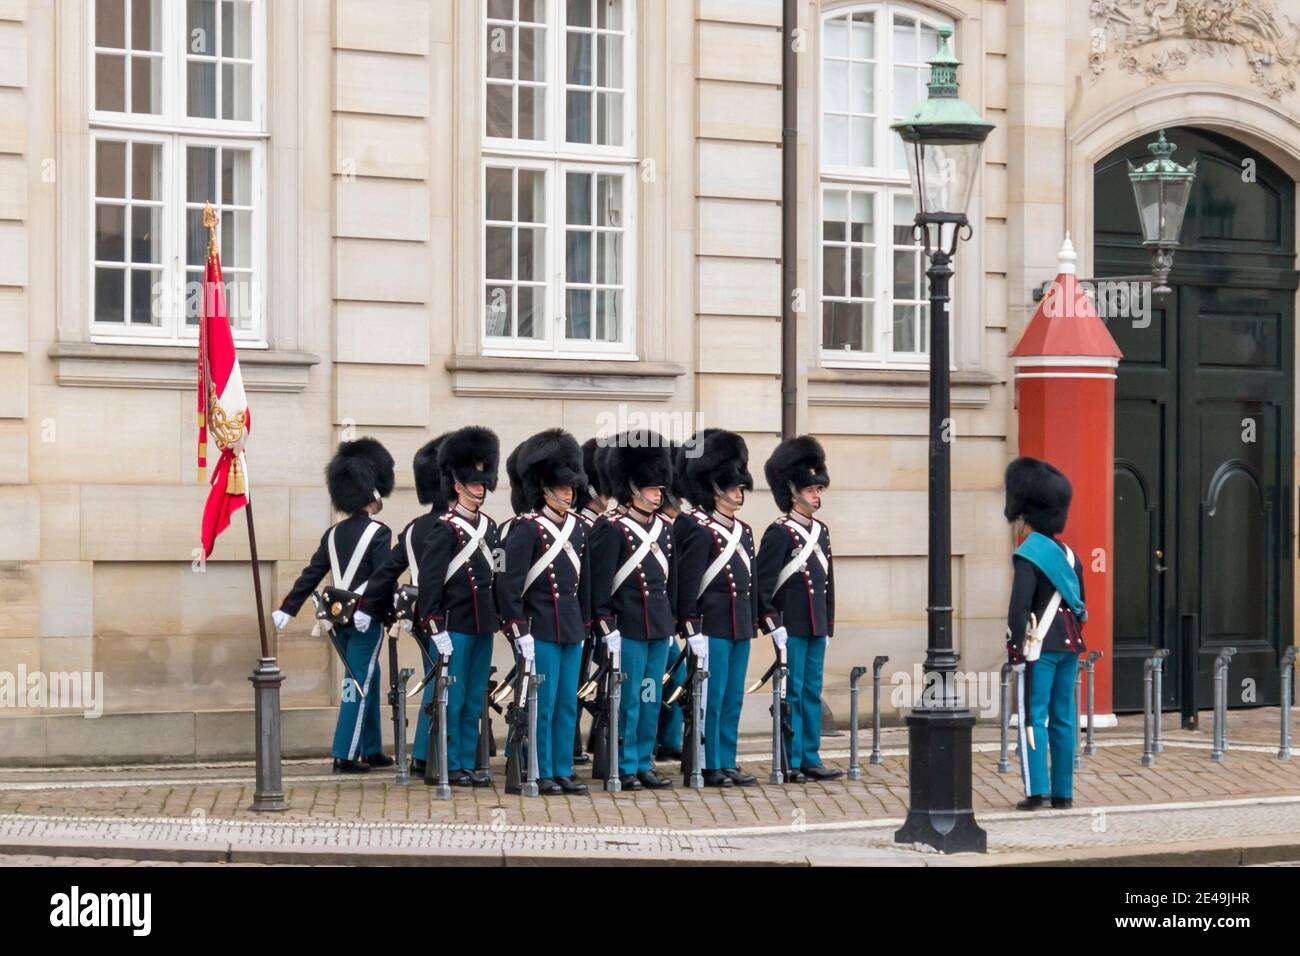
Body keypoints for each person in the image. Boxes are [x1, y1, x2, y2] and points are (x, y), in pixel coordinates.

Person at [271, 438, 395, 773]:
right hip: (365, 619)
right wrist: (374, 611)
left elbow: (312, 573)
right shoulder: (380, 533)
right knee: (357, 682)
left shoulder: (333, 533)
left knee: (367, 674)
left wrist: (289, 607)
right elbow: (385, 577)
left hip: (337, 619)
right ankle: (345, 752)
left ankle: (371, 747)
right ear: (374, 494)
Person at [497, 429, 592, 795]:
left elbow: (584, 584)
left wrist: (586, 624)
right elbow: (508, 584)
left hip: (570, 628)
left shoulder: (579, 529)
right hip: (539, 629)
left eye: (572, 487)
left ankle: (561, 769)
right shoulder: (526, 529)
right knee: (544, 704)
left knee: (567, 702)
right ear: (545, 488)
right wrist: (518, 630)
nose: (569, 493)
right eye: (562, 487)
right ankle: (539, 768)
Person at [413, 426, 501, 787]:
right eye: (472, 481)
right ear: (457, 484)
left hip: (483, 624)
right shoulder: (444, 528)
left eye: (482, 481)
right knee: (455, 696)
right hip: (454, 625)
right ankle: (449, 763)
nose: (479, 487)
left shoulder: (491, 528)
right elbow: (430, 582)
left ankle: (466, 760)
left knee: (473, 697)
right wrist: (434, 625)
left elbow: (499, 574)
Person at [589, 434, 676, 790]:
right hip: (627, 629)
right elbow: (600, 585)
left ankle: (643, 761)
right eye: (651, 488)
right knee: (628, 703)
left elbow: (670, 583)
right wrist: (606, 626)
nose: (658, 494)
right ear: (632, 487)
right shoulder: (611, 529)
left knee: (650, 697)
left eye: (659, 488)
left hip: (657, 628)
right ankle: (623, 764)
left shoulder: (664, 530)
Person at [675, 430, 758, 788]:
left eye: (740, 484)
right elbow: (687, 583)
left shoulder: (745, 531)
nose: (739, 491)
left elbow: (749, 583)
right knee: (710, 696)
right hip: (710, 626)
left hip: (739, 626)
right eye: (732, 484)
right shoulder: (694, 526)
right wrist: (691, 628)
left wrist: (753, 621)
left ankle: (726, 759)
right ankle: (706, 762)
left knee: (732, 697)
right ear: (714, 486)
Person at [756, 436, 842, 782]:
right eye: (810, 490)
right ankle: (789, 758)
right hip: (789, 626)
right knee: (792, 691)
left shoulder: (821, 532)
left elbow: (828, 585)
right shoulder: (779, 533)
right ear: (792, 492)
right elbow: (762, 586)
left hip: (815, 625)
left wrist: (828, 625)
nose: (816, 496)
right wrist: (773, 624)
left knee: (810, 691)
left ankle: (810, 756)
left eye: (818, 489)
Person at [1004, 456, 1087, 811]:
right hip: (1070, 644)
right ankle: (1063, 792)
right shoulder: (1071, 556)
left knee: (1032, 716)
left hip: (1038, 648)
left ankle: (1037, 790)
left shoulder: (1028, 554)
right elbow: (1080, 603)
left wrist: (1014, 650)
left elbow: (1018, 608)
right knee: (1065, 717)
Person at [366, 434, 448, 778]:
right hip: (446, 613)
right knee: (441, 680)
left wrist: (367, 605)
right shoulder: (455, 525)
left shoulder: (414, 527)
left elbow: (387, 570)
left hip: (416, 613)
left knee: (436, 676)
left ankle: (424, 755)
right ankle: (430, 755)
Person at [654, 441, 690, 761]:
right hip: (632, 623)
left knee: (675, 679)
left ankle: (666, 739)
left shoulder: (673, 526)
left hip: (663, 619)